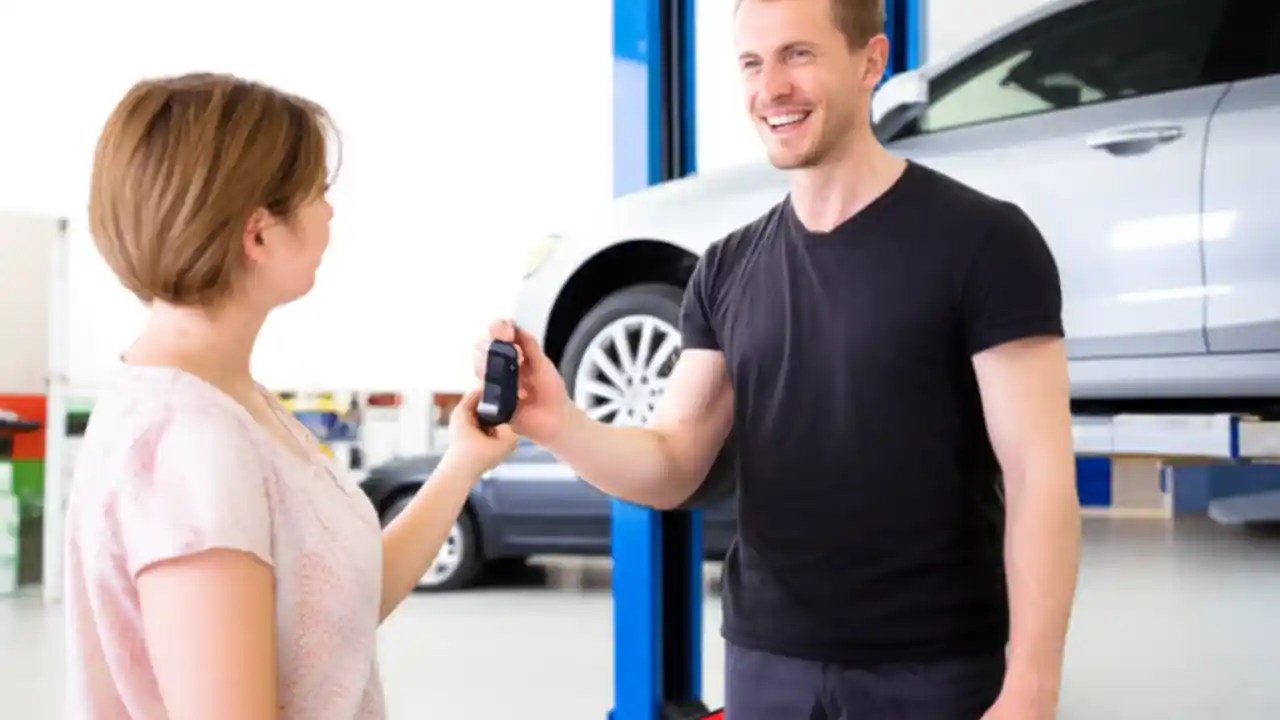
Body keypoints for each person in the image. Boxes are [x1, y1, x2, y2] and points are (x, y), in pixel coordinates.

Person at [477, 0, 1081, 717]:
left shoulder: (984, 242)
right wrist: (557, 423)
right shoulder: (727, 268)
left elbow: (1039, 474)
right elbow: (673, 464)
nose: (772, 89)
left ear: (870, 61)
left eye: (798, 54)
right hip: (768, 663)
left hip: (933, 665)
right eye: (752, 63)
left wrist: (1032, 686)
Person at [64, 73, 517, 719]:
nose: (329, 213)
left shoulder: (228, 399)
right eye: (316, 192)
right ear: (259, 234)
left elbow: (337, 609)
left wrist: (462, 462)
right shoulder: (188, 443)